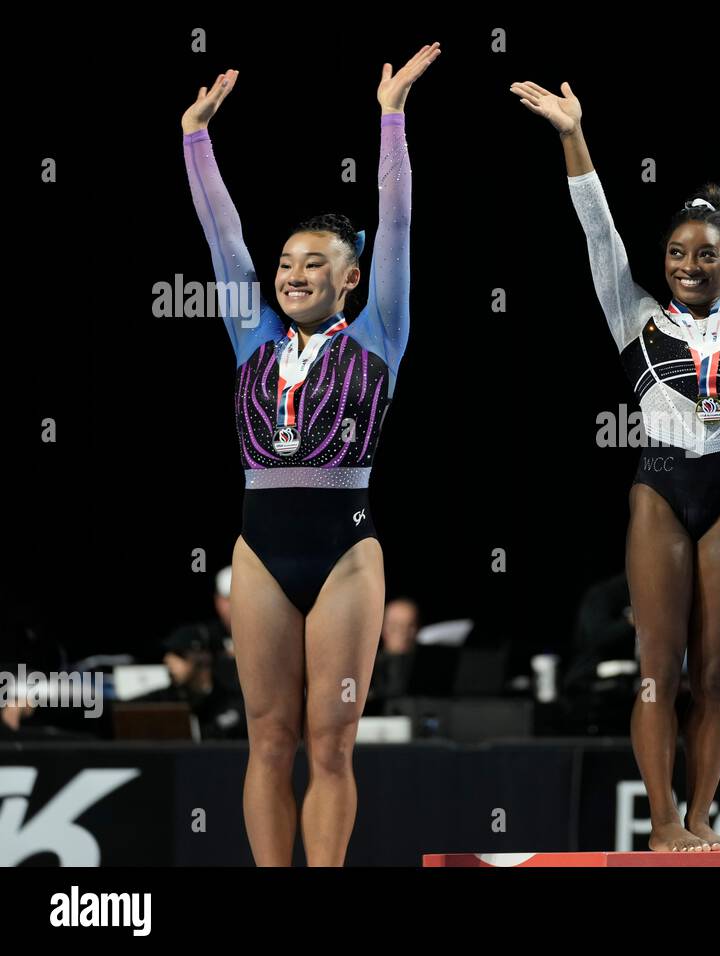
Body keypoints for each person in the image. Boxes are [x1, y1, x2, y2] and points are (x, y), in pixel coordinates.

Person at [510, 72, 720, 851]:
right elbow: (600, 234)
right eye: (674, 252)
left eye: (704, 254)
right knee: (655, 668)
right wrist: (573, 135)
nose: (686, 264)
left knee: (714, 677)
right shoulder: (634, 319)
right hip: (659, 496)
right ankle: (662, 820)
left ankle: (702, 816)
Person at [181, 43, 438, 865]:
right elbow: (224, 243)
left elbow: (395, 222)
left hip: (345, 554)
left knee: (329, 746)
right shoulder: (252, 339)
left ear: (352, 278)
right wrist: (196, 138)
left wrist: (391, 118)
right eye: (286, 263)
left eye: (313, 264)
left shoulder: (379, 336)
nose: (291, 274)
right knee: (267, 739)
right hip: (259, 550)